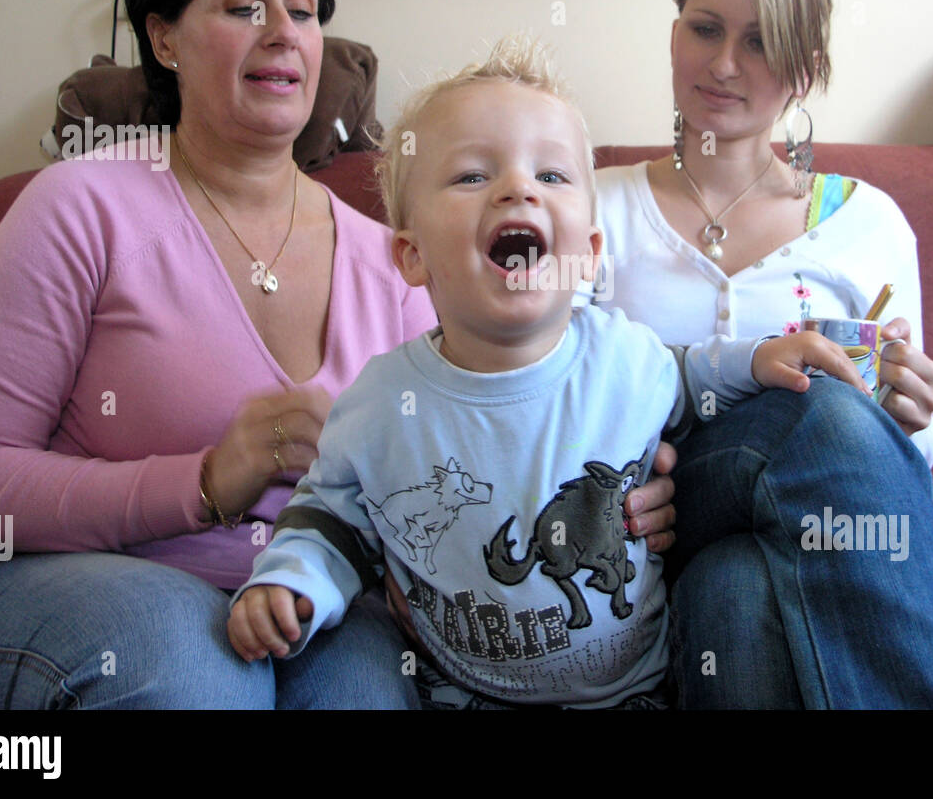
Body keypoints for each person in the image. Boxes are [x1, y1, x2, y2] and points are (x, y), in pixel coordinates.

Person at [0, 0, 445, 708]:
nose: (283, 33)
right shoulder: (79, 207)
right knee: (198, 677)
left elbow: (444, 469)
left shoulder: (392, 257)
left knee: (370, 695)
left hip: (305, 599)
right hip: (62, 591)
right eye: (243, 6)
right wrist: (200, 483)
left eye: (302, 11)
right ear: (163, 39)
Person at [225, 35, 871, 708]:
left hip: (638, 696)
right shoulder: (384, 401)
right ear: (413, 257)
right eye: (473, 176)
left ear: (589, 255)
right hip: (467, 700)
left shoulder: (624, 356)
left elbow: (696, 377)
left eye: (551, 176)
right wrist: (290, 581)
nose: (517, 191)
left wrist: (761, 355)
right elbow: (329, 516)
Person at [592, 0, 933, 708]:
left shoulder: (868, 222)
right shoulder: (591, 207)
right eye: (706, 29)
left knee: (738, 592)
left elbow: (905, 466)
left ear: (806, 68)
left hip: (787, 538)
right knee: (822, 412)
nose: (723, 64)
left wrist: (904, 412)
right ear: (675, 31)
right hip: (650, 519)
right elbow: (545, 383)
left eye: (759, 43)